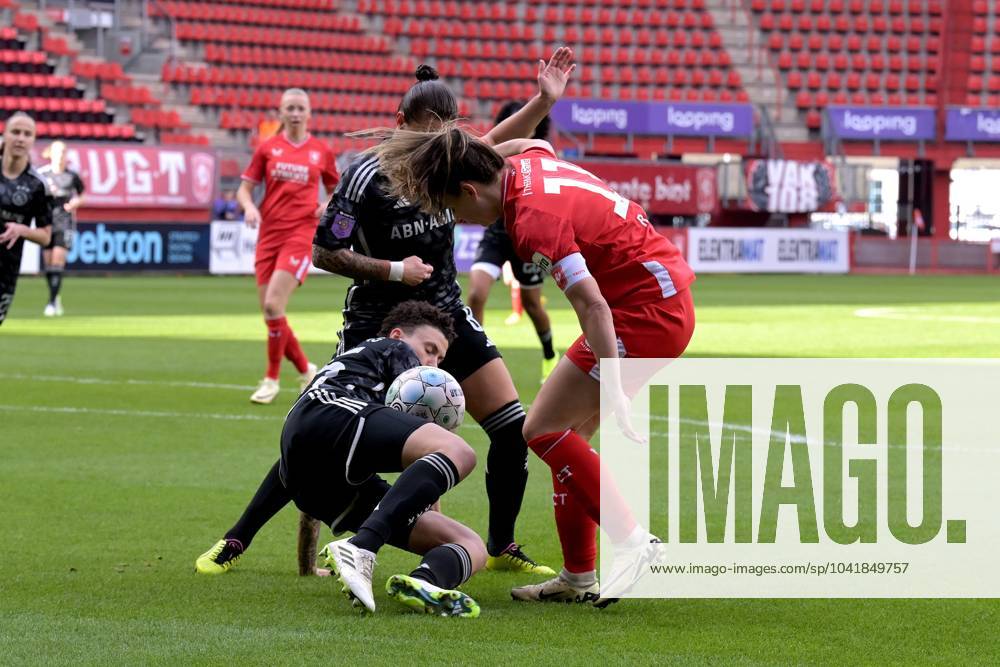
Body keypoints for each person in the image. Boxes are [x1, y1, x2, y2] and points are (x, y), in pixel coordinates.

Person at [194, 52, 575, 579]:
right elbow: (326, 251)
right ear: (401, 126)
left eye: (446, 135)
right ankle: (268, 547)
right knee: (328, 433)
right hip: (379, 321)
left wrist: (544, 101)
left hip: (446, 313)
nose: (436, 146)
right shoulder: (364, 177)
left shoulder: (447, 158)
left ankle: (503, 545)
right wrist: (394, 270)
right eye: (425, 135)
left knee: (511, 428)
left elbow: (490, 144)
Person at [371, 125, 696, 606]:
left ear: (469, 189)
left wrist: (614, 391)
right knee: (568, 441)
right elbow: (527, 144)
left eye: (458, 211)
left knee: (540, 429)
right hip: (659, 299)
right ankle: (578, 577)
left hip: (644, 312)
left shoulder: (531, 222)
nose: (467, 222)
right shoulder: (527, 164)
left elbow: (593, 305)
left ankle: (632, 541)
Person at [199, 301, 485, 617]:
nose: (432, 363)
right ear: (397, 334)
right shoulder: (394, 350)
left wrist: (246, 540)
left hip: (324, 479)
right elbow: (425, 443)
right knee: (460, 452)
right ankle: (362, 547)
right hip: (332, 416)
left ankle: (426, 581)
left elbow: (291, 470)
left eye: (440, 358)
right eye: (429, 349)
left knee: (471, 544)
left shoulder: (358, 404)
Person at [237, 88, 339, 404]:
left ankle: (271, 379)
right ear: (280, 112)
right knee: (272, 313)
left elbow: (338, 190)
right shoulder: (268, 149)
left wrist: (327, 205)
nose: (295, 113)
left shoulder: (321, 151)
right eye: (289, 108)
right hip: (268, 235)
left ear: (309, 114)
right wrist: (250, 208)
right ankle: (308, 370)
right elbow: (244, 190)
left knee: (272, 306)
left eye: (300, 108)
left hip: (299, 234)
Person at [467, 101, 557, 382]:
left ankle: (550, 355)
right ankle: (475, 360)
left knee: (532, 305)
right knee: (476, 294)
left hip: (527, 236)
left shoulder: (541, 155)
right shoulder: (496, 154)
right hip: (496, 233)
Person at [0, 112, 52, 326]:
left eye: (27, 134)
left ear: (33, 140)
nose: (20, 138)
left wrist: (22, 230)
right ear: (5, 135)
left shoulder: (37, 185)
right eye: (15, 132)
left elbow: (46, 237)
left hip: (4, 273)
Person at [37, 140, 84, 317]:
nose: (61, 155)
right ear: (51, 153)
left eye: (64, 152)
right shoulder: (42, 174)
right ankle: (55, 296)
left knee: (57, 261)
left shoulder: (72, 176)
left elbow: (82, 195)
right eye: (58, 152)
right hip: (47, 222)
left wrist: (75, 203)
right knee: (48, 264)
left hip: (65, 223)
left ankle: (51, 303)